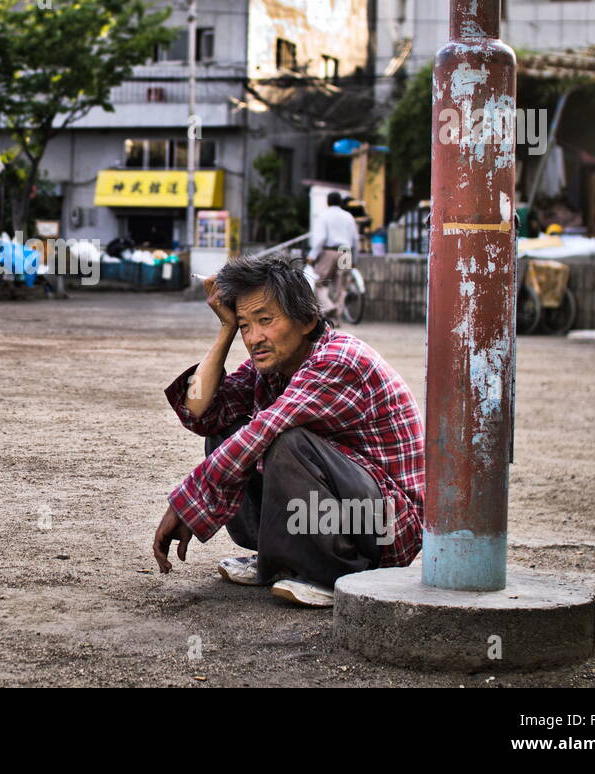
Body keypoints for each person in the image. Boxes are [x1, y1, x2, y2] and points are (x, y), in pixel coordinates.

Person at [151, 254, 425, 607]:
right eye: (246, 325)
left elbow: (263, 432)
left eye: (265, 320)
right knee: (226, 427)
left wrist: (185, 506)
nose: (255, 338)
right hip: (345, 506)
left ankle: (332, 572)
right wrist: (226, 329)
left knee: (284, 440)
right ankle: (278, 560)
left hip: (386, 527)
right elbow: (200, 411)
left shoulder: (337, 361)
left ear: (307, 320)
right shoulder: (272, 365)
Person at [306, 191, 359, 324]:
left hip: (329, 251)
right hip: (345, 251)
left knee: (320, 282)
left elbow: (321, 238)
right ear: (341, 202)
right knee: (342, 286)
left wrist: (312, 256)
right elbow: (355, 240)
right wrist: (356, 259)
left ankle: (329, 308)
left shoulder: (324, 216)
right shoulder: (348, 216)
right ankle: (337, 318)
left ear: (327, 202)